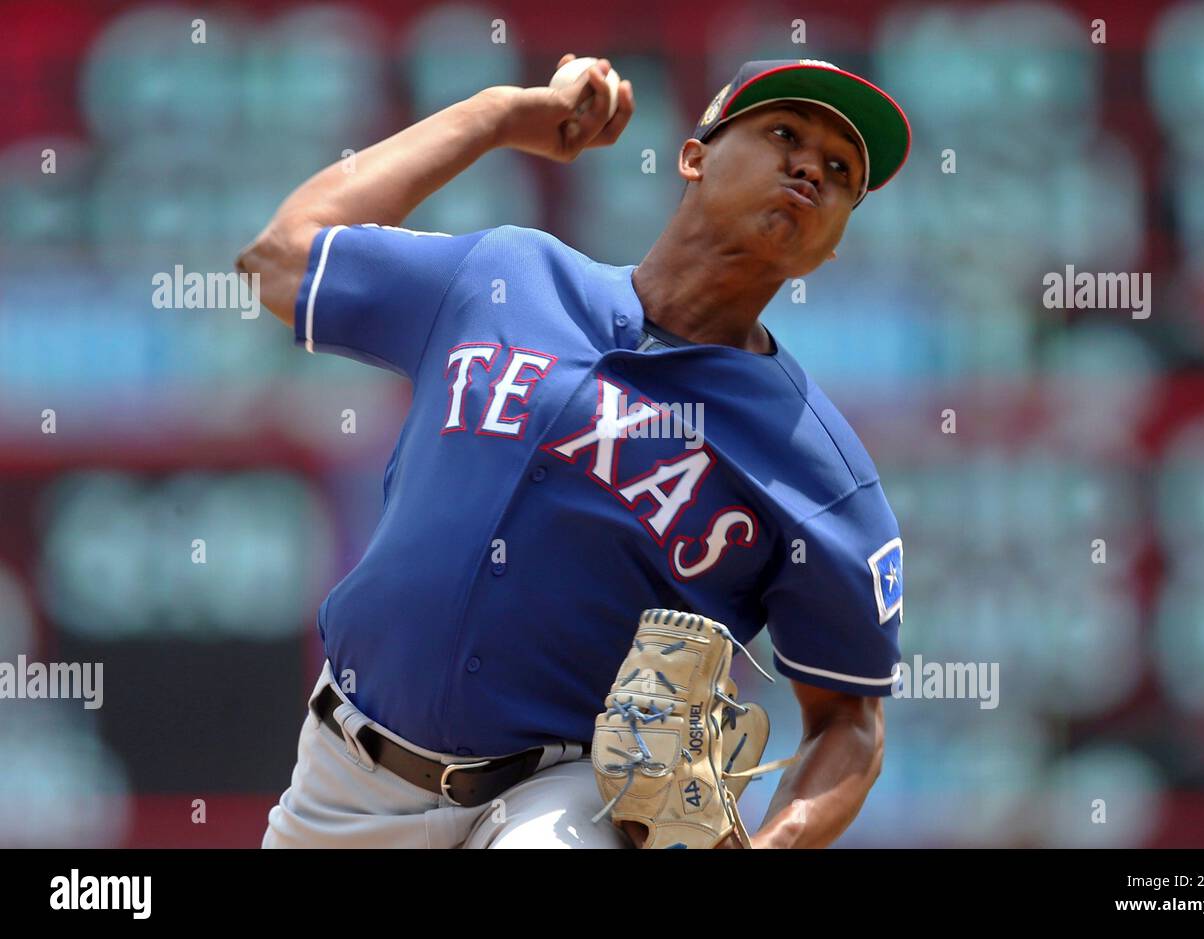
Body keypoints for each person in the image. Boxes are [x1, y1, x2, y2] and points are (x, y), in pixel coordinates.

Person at [238, 53, 911, 849]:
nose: (809, 166)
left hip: (562, 796)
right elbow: (280, 258)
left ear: (830, 245)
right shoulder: (504, 276)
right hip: (343, 777)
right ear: (693, 156)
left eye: (839, 171)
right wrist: (496, 116)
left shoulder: (816, 464)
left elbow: (850, 724)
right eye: (783, 133)